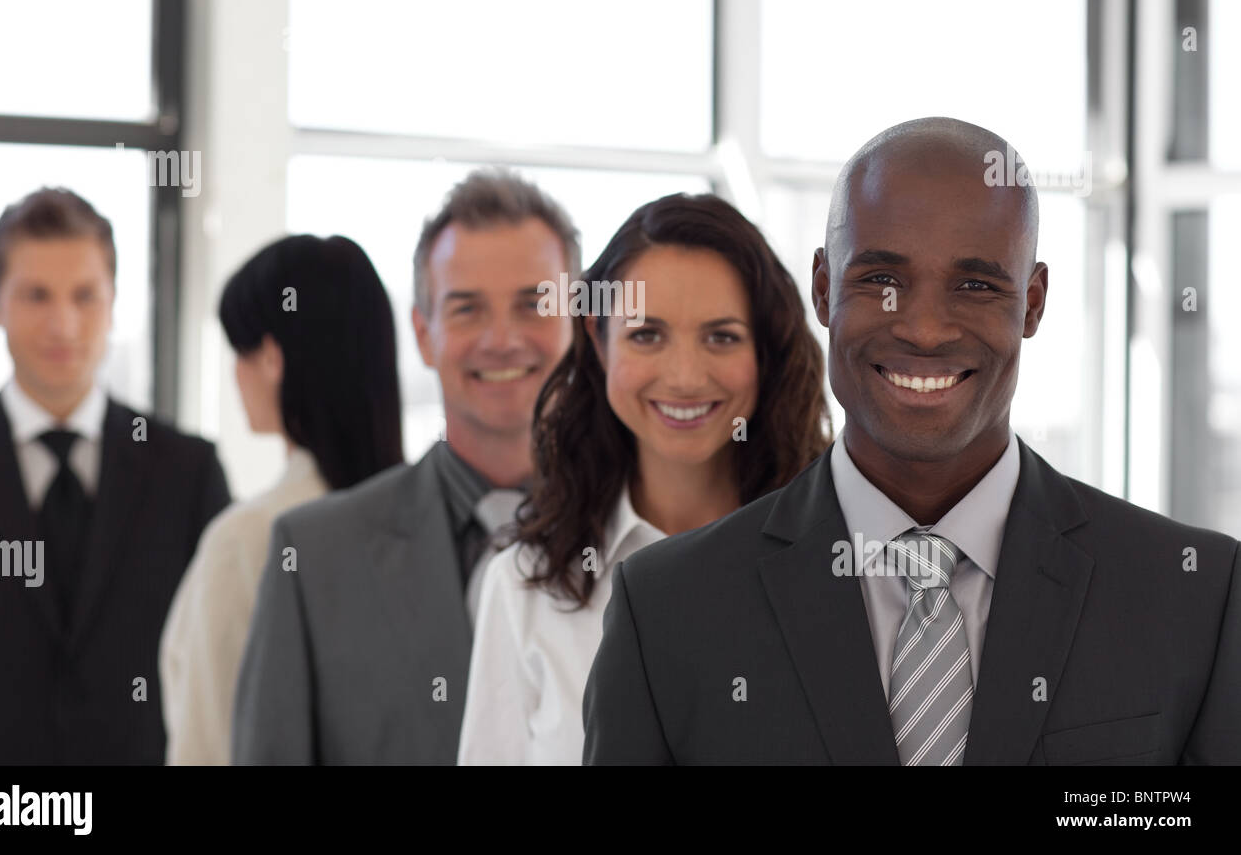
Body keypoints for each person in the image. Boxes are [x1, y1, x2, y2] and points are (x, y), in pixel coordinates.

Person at [583, 117, 1241, 766]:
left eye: (976, 284)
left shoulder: (1195, 597)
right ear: (823, 287)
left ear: (1034, 302)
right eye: (880, 281)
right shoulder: (667, 609)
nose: (925, 330)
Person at [458, 193, 832, 764]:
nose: (684, 376)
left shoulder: (836, 561)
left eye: (721, 336)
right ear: (597, 340)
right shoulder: (523, 586)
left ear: (767, 350)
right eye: (646, 335)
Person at [232, 168, 577, 764]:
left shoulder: (643, 545)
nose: (502, 338)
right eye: (467, 309)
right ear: (423, 334)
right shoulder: (313, 556)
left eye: (533, 304)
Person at [0, 187, 231, 764]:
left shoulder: (188, 472)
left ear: (114, 300)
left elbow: (223, 663)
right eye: (37, 296)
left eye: (85, 296)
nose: (64, 324)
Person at [159, 234, 404, 765]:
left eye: (240, 351)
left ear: (272, 357)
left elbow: (206, 750)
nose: (234, 373)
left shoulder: (251, 540)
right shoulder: (433, 526)